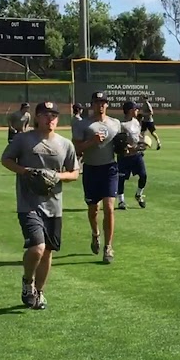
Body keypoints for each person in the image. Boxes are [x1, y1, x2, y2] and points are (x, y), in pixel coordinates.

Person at [0, 101, 79, 310]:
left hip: (54, 206)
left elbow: (75, 173)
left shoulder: (65, 144)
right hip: (28, 204)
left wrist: (56, 176)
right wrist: (25, 171)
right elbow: (6, 159)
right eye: (45, 115)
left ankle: (39, 292)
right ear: (37, 117)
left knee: (48, 252)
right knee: (37, 247)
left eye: (53, 115)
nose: (50, 119)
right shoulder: (24, 140)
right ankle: (28, 281)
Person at [72, 91, 122, 263]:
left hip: (109, 168)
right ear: (92, 104)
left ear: (107, 104)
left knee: (109, 207)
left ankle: (108, 247)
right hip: (91, 170)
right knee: (93, 209)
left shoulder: (115, 124)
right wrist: (91, 142)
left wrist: (131, 148)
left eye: (103, 102)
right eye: (97, 102)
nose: (100, 105)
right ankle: (95, 234)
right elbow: (77, 149)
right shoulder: (83, 124)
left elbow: (121, 147)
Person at [115, 100, 149, 210]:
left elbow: (138, 136)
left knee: (143, 175)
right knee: (121, 179)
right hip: (125, 157)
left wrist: (142, 143)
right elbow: (119, 142)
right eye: (136, 109)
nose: (137, 110)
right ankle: (121, 201)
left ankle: (139, 194)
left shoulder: (136, 122)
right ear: (130, 111)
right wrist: (129, 148)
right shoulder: (121, 125)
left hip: (137, 156)